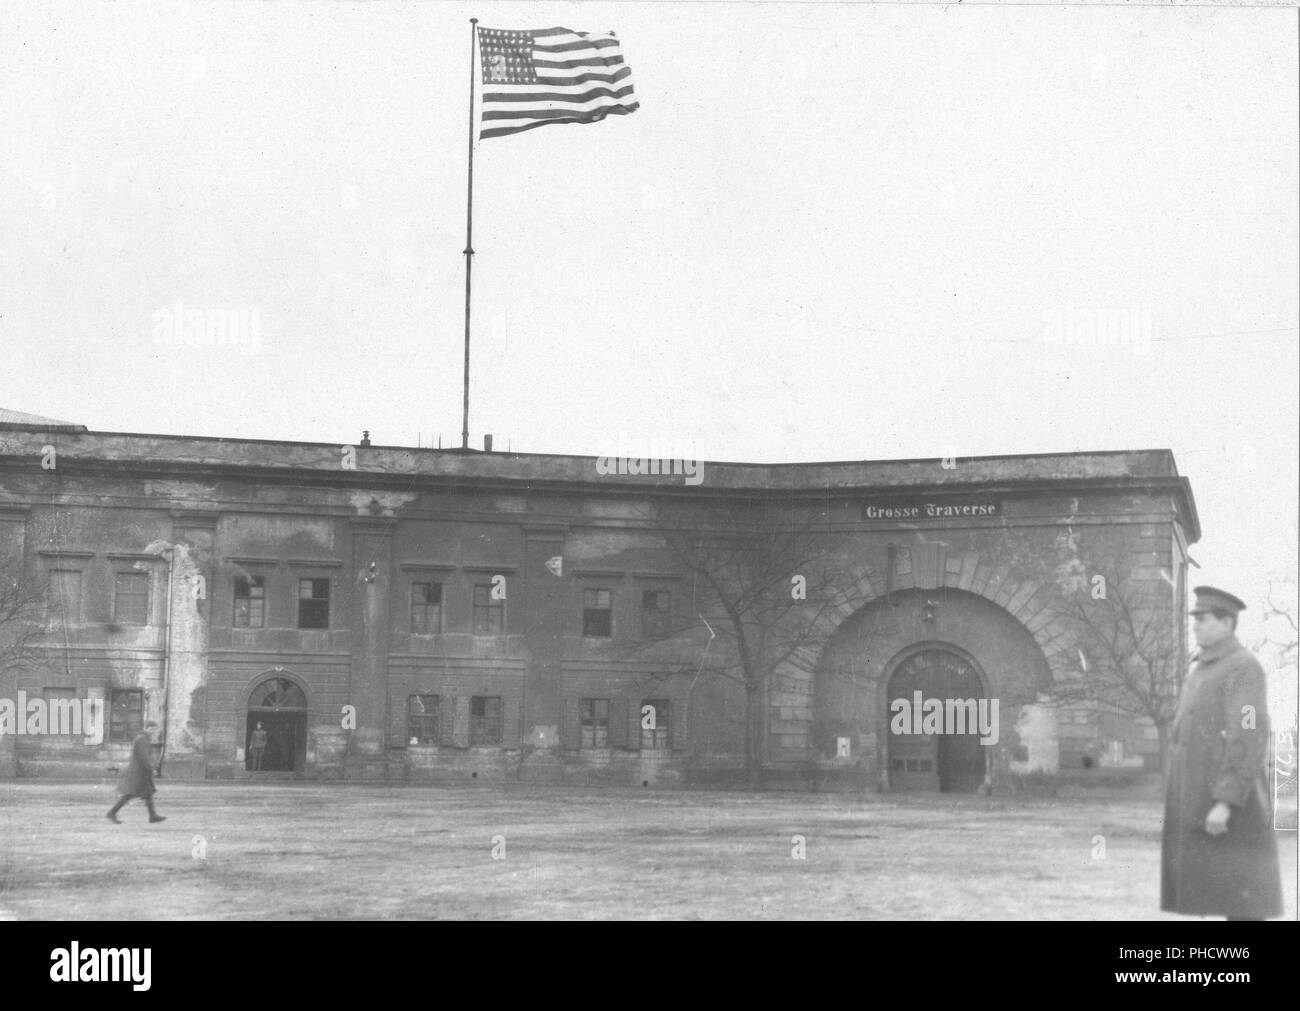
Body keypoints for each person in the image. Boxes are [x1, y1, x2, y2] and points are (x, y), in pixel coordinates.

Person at [1161, 586, 1282, 919]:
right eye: (1195, 619)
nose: (1195, 625)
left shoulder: (1243, 668)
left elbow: (1248, 735)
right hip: (1202, 802)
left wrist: (1225, 803)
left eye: (1203, 619)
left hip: (1231, 806)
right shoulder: (1201, 670)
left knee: (1244, 907)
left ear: (1227, 624)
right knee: (1224, 899)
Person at [106, 722, 166, 824]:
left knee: (148, 793)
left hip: (141, 773)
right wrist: (151, 769)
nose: (153, 732)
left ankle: (153, 815)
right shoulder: (142, 739)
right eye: (151, 729)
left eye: (154, 729)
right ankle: (112, 812)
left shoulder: (143, 738)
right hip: (139, 773)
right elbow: (143, 758)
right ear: (146, 728)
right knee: (129, 795)